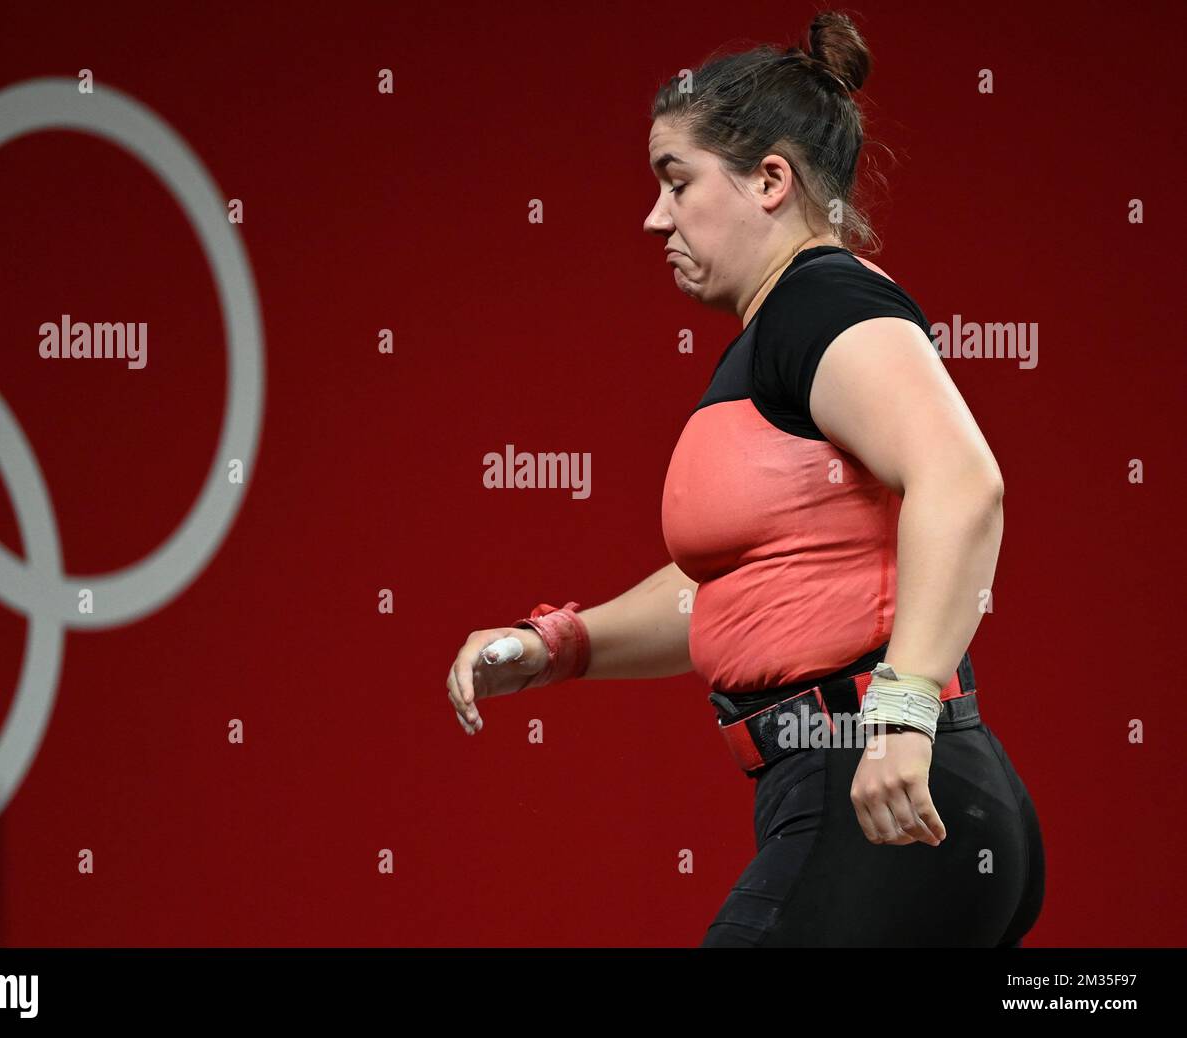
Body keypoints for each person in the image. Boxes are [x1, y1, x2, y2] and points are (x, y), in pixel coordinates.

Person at [445, 10, 1044, 948]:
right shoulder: (781, 334)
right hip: (886, 802)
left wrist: (902, 710)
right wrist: (556, 645)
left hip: (880, 796)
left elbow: (963, 484)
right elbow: (725, 591)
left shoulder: (825, 300)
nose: (655, 217)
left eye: (676, 182)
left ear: (771, 180)